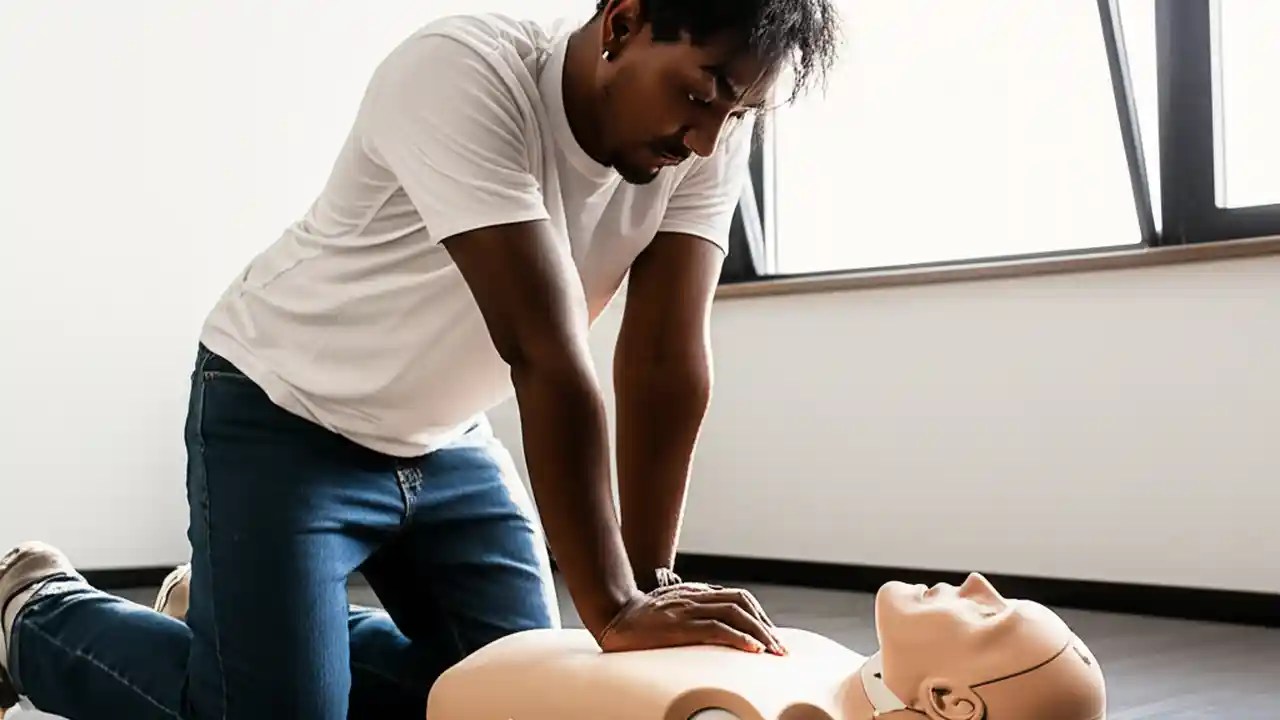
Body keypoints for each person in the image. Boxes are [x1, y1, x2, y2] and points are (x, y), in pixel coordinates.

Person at [0, 1, 840, 718]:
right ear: (623, 21)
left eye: (735, 115)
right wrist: (615, 606)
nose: (705, 139)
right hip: (280, 414)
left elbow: (664, 359)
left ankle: (232, 614)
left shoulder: (704, 139)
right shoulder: (463, 70)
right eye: (699, 96)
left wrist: (652, 583)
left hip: (445, 444)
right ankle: (32, 610)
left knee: (522, 700)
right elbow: (543, 352)